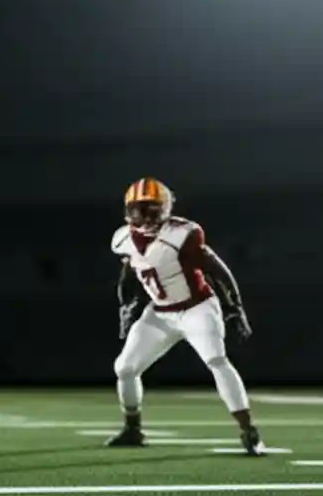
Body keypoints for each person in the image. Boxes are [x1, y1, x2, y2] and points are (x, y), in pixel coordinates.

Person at [106, 177, 264, 455]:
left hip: (197, 308)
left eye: (153, 209)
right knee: (125, 368)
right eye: (139, 209)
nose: (145, 216)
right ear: (128, 211)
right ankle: (133, 429)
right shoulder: (122, 239)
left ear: (166, 209)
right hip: (160, 313)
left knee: (216, 360)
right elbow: (129, 272)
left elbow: (217, 270)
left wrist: (234, 307)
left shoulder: (182, 234)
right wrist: (126, 305)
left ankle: (248, 431)